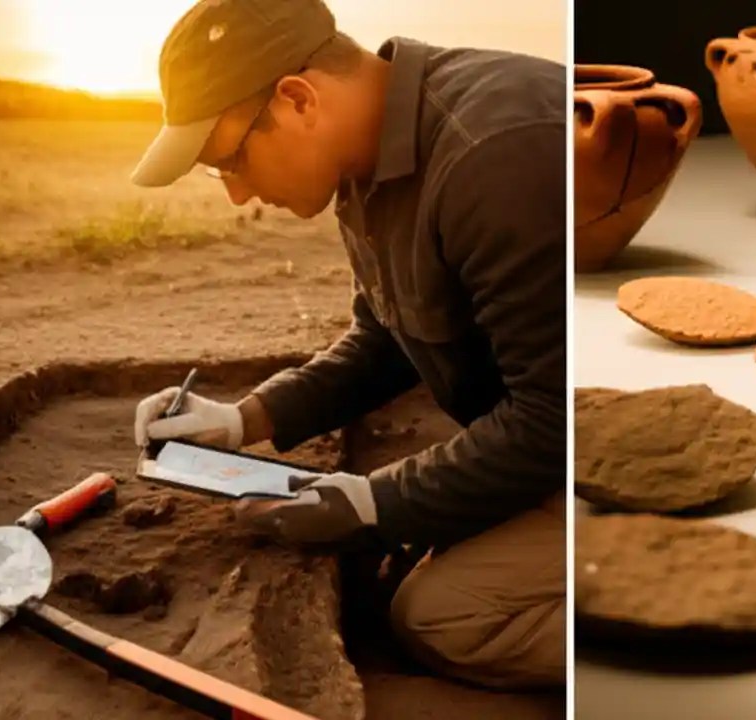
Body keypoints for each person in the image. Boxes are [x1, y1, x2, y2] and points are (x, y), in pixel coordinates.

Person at [128, 0, 566, 691]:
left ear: (298, 98)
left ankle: (667, 598)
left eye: (230, 160)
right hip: (543, 432)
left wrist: (375, 504)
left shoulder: (494, 156)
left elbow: (555, 420)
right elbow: (388, 335)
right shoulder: (368, 161)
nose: (237, 195)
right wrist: (243, 420)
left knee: (441, 615)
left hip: (609, 447)